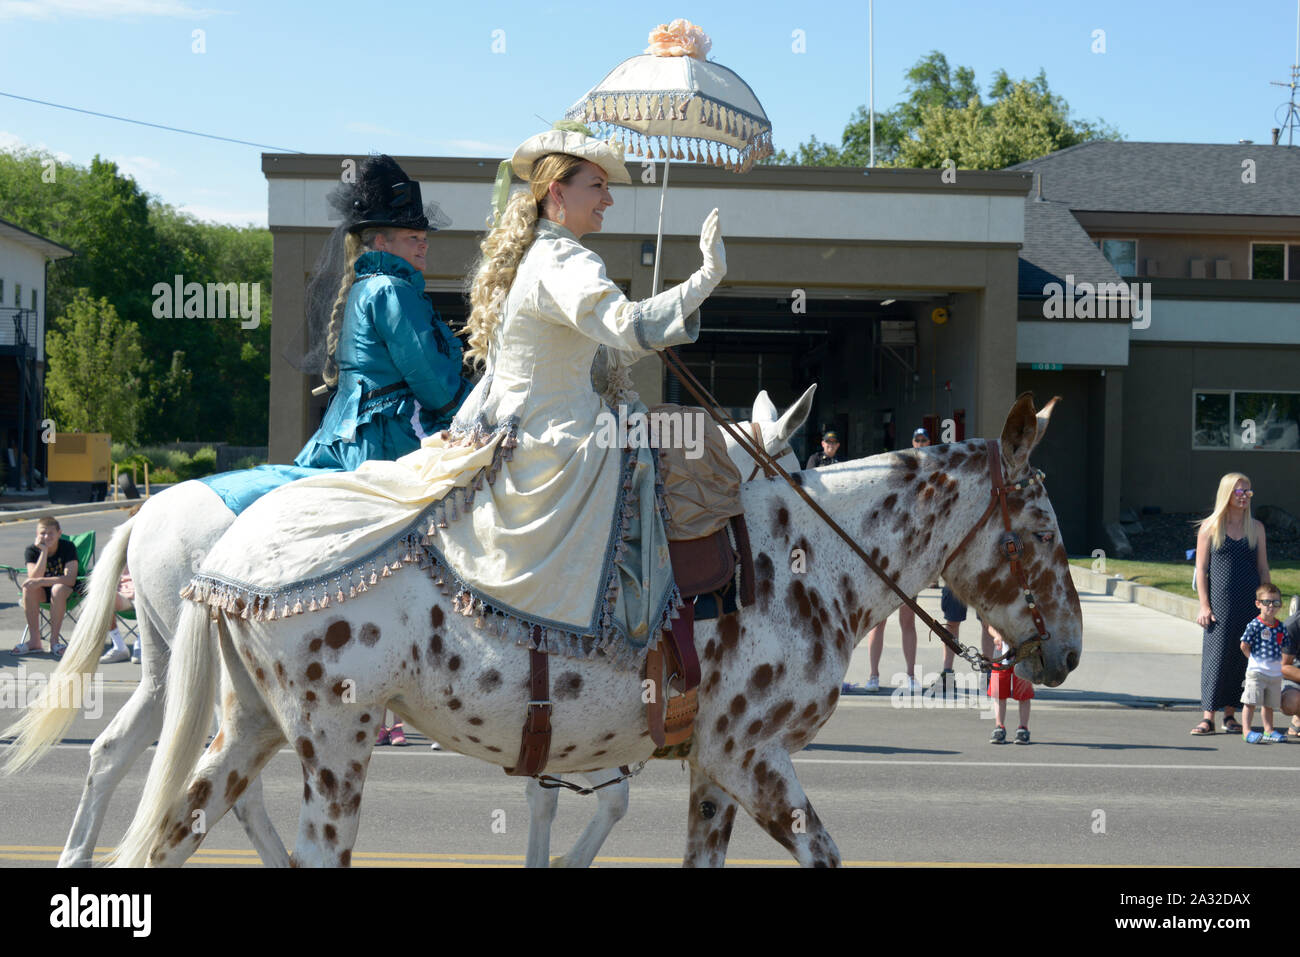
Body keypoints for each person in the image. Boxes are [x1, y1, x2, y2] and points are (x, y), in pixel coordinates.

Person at [294, 154, 472, 471]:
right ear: (382, 242)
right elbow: (427, 374)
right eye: (412, 238)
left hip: (347, 434)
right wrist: (473, 410)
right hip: (383, 438)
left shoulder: (368, 286)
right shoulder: (391, 289)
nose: (423, 245)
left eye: (425, 238)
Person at [1190, 473, 1270, 735]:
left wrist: (1266, 602)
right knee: (1216, 657)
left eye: (1248, 491)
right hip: (1220, 605)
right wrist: (1204, 606)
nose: (1244, 496)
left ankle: (1230, 715)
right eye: (1239, 491)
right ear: (1227, 494)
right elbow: (1201, 570)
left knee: (1241, 658)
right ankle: (1207, 716)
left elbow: (1263, 568)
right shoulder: (1210, 528)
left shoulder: (1256, 528)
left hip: (1250, 603)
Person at [853, 427, 932, 691]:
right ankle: (873, 676)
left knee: (908, 621)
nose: (920, 443)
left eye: (923, 440)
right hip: (886, 563)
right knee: (878, 621)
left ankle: (910, 676)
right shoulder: (890, 496)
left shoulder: (930, 477)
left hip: (909, 564)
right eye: (916, 439)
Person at [14, 516, 78, 657]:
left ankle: (54, 641)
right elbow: (34, 578)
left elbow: (70, 579)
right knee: (28, 588)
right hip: (42, 593)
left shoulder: (68, 547)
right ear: (37, 535)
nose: (47, 536)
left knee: (57, 588)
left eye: (51, 533)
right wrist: (43, 552)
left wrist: (42, 581)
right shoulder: (31, 550)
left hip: (66, 592)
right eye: (43, 533)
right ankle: (35, 641)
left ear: (59, 533)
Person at [1238, 584, 1288, 743]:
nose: (1271, 606)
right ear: (1258, 604)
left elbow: (1285, 646)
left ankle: (1269, 730)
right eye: (1267, 602)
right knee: (1250, 702)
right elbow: (1244, 645)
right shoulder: (1255, 625)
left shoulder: (1281, 627)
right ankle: (1247, 731)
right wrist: (1253, 660)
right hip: (1256, 672)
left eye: (1276, 603)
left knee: (1269, 705)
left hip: (1274, 674)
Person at [988, 630, 1032, 744]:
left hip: (1024, 655)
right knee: (999, 694)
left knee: (1023, 694)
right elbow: (990, 624)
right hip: (1001, 655)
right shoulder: (999, 611)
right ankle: (999, 727)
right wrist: (997, 635)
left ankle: (1023, 728)